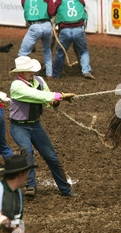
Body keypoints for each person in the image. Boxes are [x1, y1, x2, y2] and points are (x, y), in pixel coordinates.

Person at [9, 56, 77, 197]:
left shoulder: (39, 81)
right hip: (19, 127)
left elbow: (47, 100)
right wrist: (59, 96)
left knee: (52, 157)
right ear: (20, 73)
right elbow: (36, 95)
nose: (32, 73)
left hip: (35, 125)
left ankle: (65, 190)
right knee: (26, 150)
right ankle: (30, 186)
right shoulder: (16, 86)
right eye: (28, 71)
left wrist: (56, 101)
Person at [52, 0, 95, 80]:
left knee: (61, 52)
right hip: (78, 29)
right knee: (83, 51)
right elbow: (83, 5)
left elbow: (53, 11)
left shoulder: (59, 0)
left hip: (65, 29)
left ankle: (56, 74)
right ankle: (86, 71)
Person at [19, 0, 56, 79]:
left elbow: (25, 7)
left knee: (23, 52)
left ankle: (22, 72)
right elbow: (52, 12)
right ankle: (49, 74)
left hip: (34, 26)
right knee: (47, 50)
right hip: (46, 25)